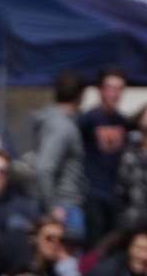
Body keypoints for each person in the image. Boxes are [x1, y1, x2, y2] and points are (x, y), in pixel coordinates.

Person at [33, 70, 88, 240]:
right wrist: (52, 208)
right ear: (80, 96)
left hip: (63, 203)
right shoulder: (62, 127)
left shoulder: (53, 121)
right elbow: (44, 168)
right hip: (64, 206)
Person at [77, 68, 130, 243]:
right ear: (100, 90)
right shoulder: (88, 119)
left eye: (119, 88)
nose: (114, 93)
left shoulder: (122, 121)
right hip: (92, 192)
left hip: (114, 194)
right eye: (110, 88)